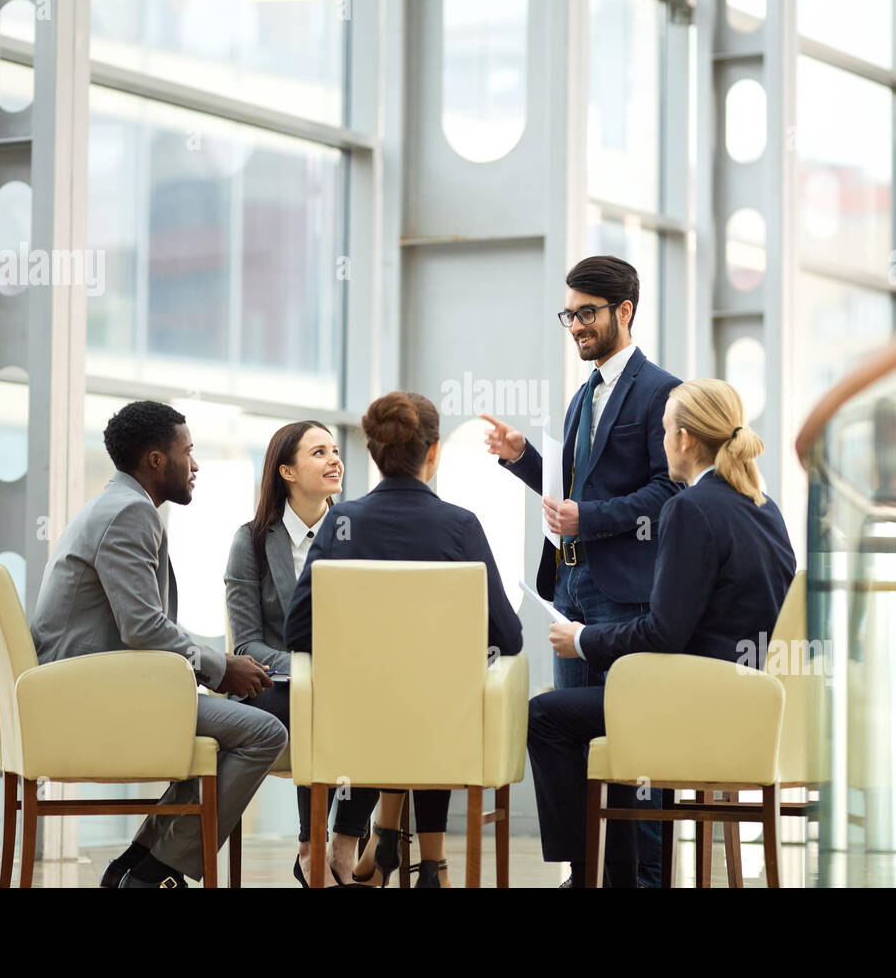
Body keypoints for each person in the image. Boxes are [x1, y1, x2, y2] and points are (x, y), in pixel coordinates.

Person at [526, 379, 797, 887]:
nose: (664, 440)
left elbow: (665, 633)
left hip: (687, 705)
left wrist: (582, 638)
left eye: (666, 430)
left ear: (685, 440)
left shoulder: (690, 509)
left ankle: (586, 875)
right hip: (748, 709)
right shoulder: (766, 509)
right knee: (613, 718)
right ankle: (620, 877)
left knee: (544, 717)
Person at [482, 254, 680, 887]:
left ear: (624, 311)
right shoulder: (582, 396)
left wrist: (587, 519)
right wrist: (523, 459)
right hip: (571, 591)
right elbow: (572, 487)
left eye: (586, 313)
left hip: (626, 597)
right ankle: (585, 870)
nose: (575, 326)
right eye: (569, 314)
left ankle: (642, 877)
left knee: (634, 739)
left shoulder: (661, 392)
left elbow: (668, 490)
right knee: (576, 738)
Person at [31, 401, 286, 888]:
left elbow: (141, 628)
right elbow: (143, 627)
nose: (195, 465)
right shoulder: (129, 512)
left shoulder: (116, 505)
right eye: (187, 452)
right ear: (155, 460)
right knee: (265, 733)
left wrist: (214, 668)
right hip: (92, 696)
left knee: (223, 735)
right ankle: (156, 874)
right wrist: (221, 666)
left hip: (91, 686)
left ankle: (136, 866)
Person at [284, 391, 523, 887]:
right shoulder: (460, 527)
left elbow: (297, 631)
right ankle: (432, 866)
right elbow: (509, 636)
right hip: (442, 730)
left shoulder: (340, 525)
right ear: (432, 452)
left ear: (372, 452)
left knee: (401, 698)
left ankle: (388, 838)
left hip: (354, 730)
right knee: (440, 693)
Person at [225, 420, 378, 887]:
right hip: (277, 686)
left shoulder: (361, 534)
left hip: (349, 685)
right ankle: (310, 847)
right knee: (310, 699)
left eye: (335, 450)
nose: (335, 459)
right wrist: (311, 670)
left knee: (375, 704)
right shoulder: (251, 541)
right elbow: (246, 644)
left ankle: (344, 844)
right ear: (287, 471)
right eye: (318, 453)